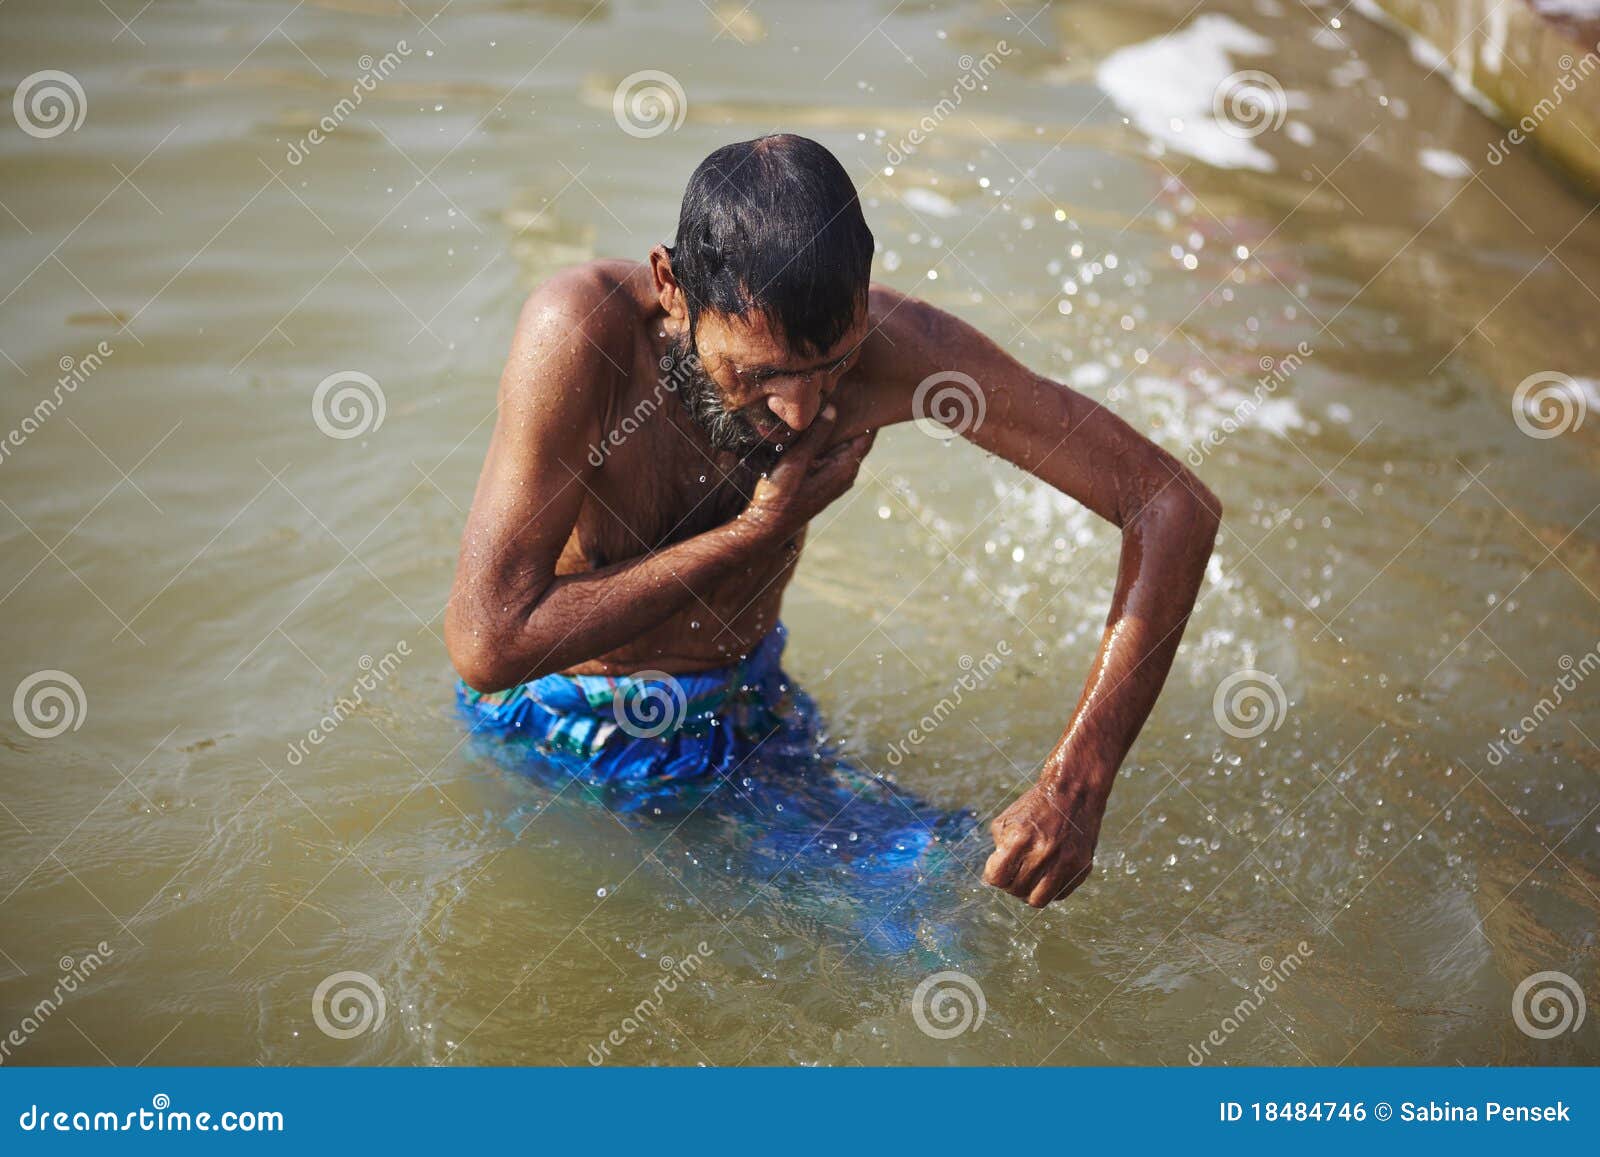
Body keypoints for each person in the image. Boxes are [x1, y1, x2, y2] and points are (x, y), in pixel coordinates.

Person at [445, 133, 1220, 910]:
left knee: (968, 911)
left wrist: (1075, 784)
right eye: (757, 374)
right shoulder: (583, 337)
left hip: (749, 718)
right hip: (555, 741)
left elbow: (1170, 503)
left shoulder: (894, 347)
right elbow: (489, 642)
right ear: (670, 285)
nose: (801, 411)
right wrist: (754, 530)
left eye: (832, 367)